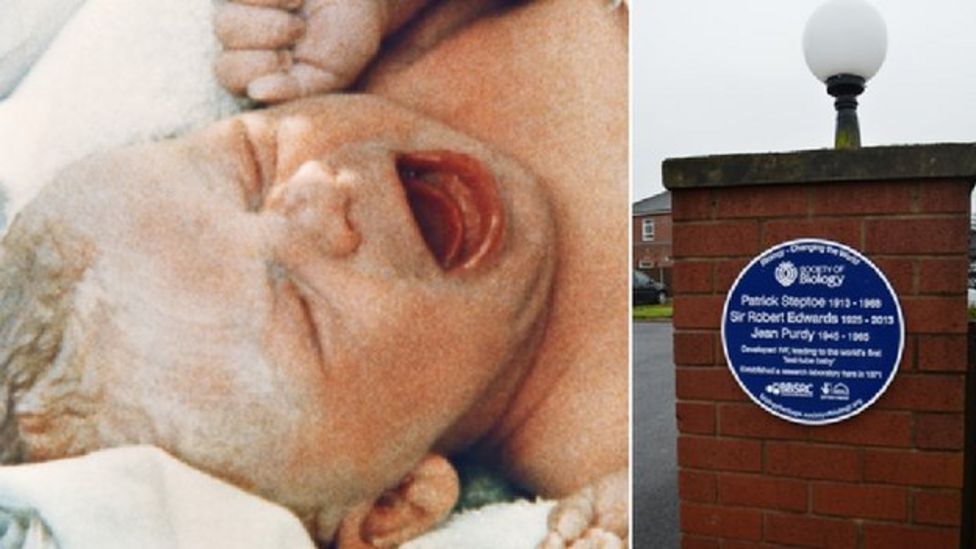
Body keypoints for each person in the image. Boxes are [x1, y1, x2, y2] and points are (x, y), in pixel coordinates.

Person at [0, 0, 628, 546]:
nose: (320, 196)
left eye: (254, 165)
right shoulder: (609, 431)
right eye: (305, 309)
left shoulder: (404, 59)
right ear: (398, 501)